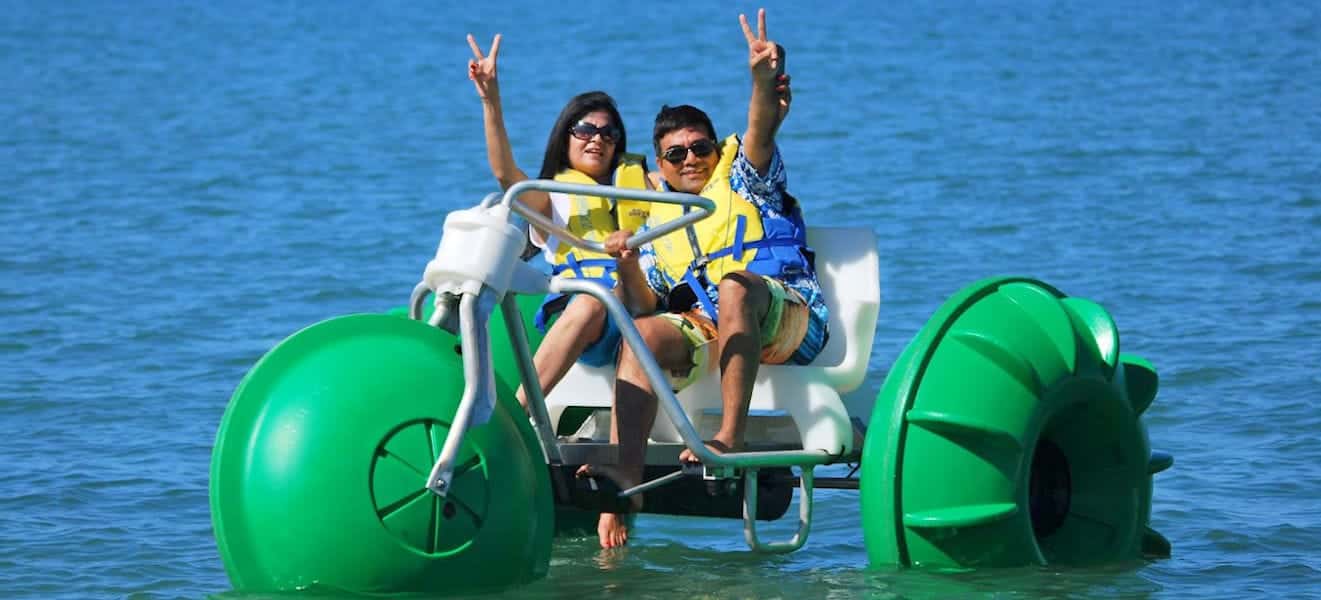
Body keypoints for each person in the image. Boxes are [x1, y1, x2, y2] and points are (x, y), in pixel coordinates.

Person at [585, 9, 830, 549]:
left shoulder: (747, 177)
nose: (692, 158)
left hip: (788, 317)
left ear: (716, 150)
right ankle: (627, 482)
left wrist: (762, 81)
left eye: (701, 147)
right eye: (677, 153)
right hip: (712, 327)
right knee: (640, 333)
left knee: (736, 285)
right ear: (661, 167)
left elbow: (762, 126)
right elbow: (646, 303)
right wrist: (626, 259)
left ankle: (729, 438)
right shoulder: (656, 222)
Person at [465, 34, 652, 408]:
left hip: (648, 305)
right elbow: (505, 175)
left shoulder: (646, 186)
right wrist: (490, 100)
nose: (597, 139)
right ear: (565, 137)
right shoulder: (550, 196)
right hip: (597, 320)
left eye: (608, 133)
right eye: (585, 130)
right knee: (588, 303)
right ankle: (517, 414)